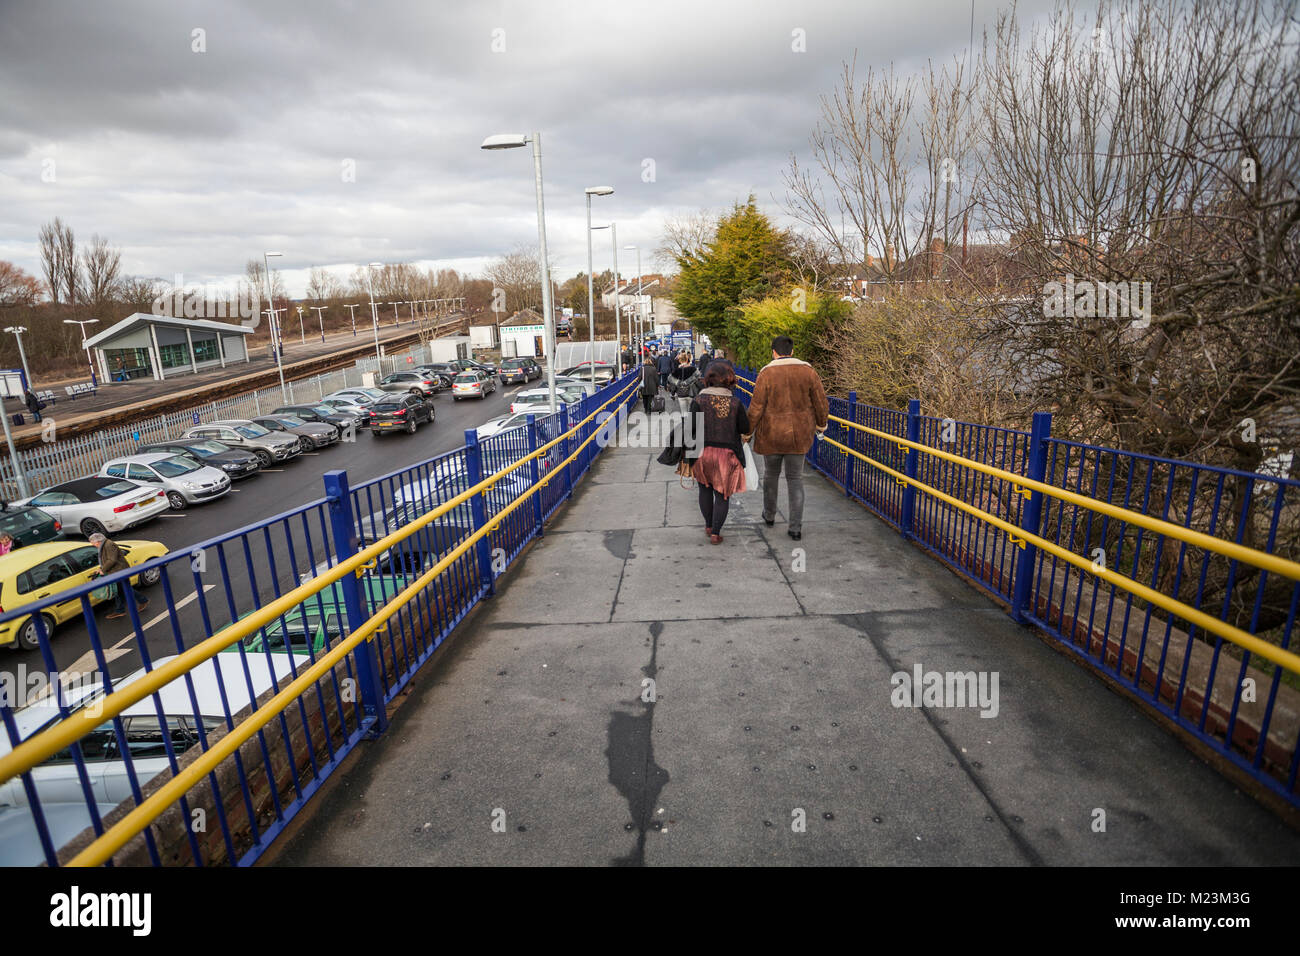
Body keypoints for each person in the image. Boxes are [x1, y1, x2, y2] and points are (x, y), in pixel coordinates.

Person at [744, 335, 829, 541]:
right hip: (798, 436)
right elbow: (820, 402)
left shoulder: (766, 373)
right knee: (795, 479)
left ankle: (770, 515)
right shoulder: (808, 371)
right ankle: (795, 527)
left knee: (770, 476)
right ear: (791, 351)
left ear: (773, 352)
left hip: (771, 434)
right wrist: (821, 424)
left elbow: (756, 407)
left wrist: (748, 432)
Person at [690, 361, 750, 544]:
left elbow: (690, 429)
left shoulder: (698, 401)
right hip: (727, 455)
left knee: (704, 490)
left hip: (702, 453)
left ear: (708, 379)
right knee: (722, 494)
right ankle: (716, 533)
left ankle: (708, 525)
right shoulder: (735, 403)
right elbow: (745, 428)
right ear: (729, 380)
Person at [89, 532, 149, 620]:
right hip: (116, 571)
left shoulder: (109, 545)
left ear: (98, 541)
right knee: (120, 590)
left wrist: (103, 570)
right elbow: (106, 559)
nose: (94, 545)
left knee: (123, 589)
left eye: (93, 543)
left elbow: (112, 560)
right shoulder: (104, 545)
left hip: (120, 571)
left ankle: (141, 601)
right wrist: (100, 568)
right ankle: (121, 610)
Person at [667, 352, 702, 416]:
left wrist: (674, 390)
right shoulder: (693, 369)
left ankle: (684, 425)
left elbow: (670, 379)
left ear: (680, 361)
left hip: (681, 393)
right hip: (691, 393)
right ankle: (690, 425)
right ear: (687, 359)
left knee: (683, 412)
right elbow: (698, 378)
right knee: (691, 411)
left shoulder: (676, 370)